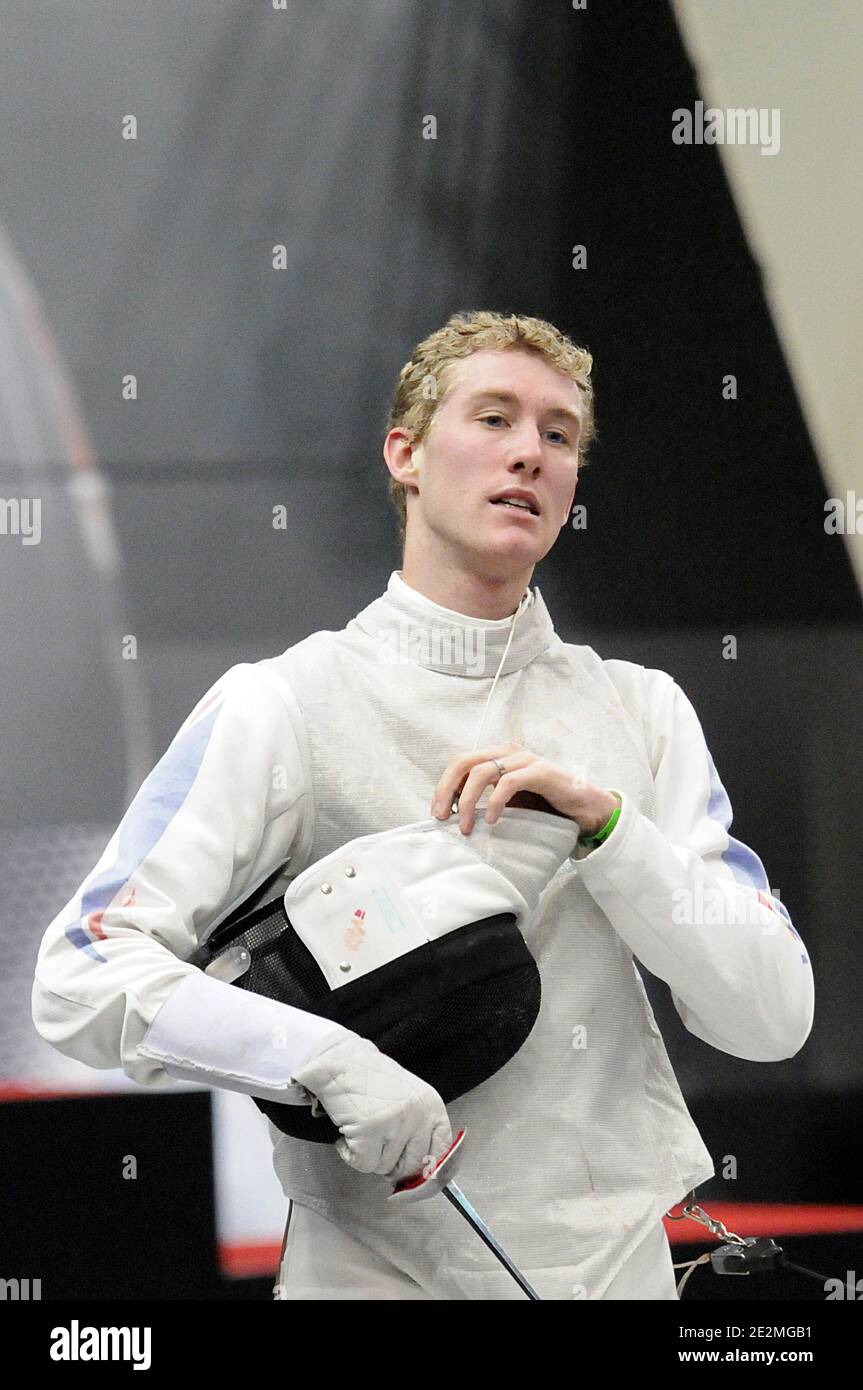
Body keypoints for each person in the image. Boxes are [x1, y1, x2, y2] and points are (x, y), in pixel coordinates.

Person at [32, 310, 814, 1301]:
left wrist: (608, 828)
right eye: (493, 418)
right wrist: (323, 1059)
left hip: (618, 1261)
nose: (529, 451)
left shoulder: (642, 713)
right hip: (372, 1265)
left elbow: (771, 1015)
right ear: (404, 452)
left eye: (558, 434)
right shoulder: (288, 704)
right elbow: (82, 973)